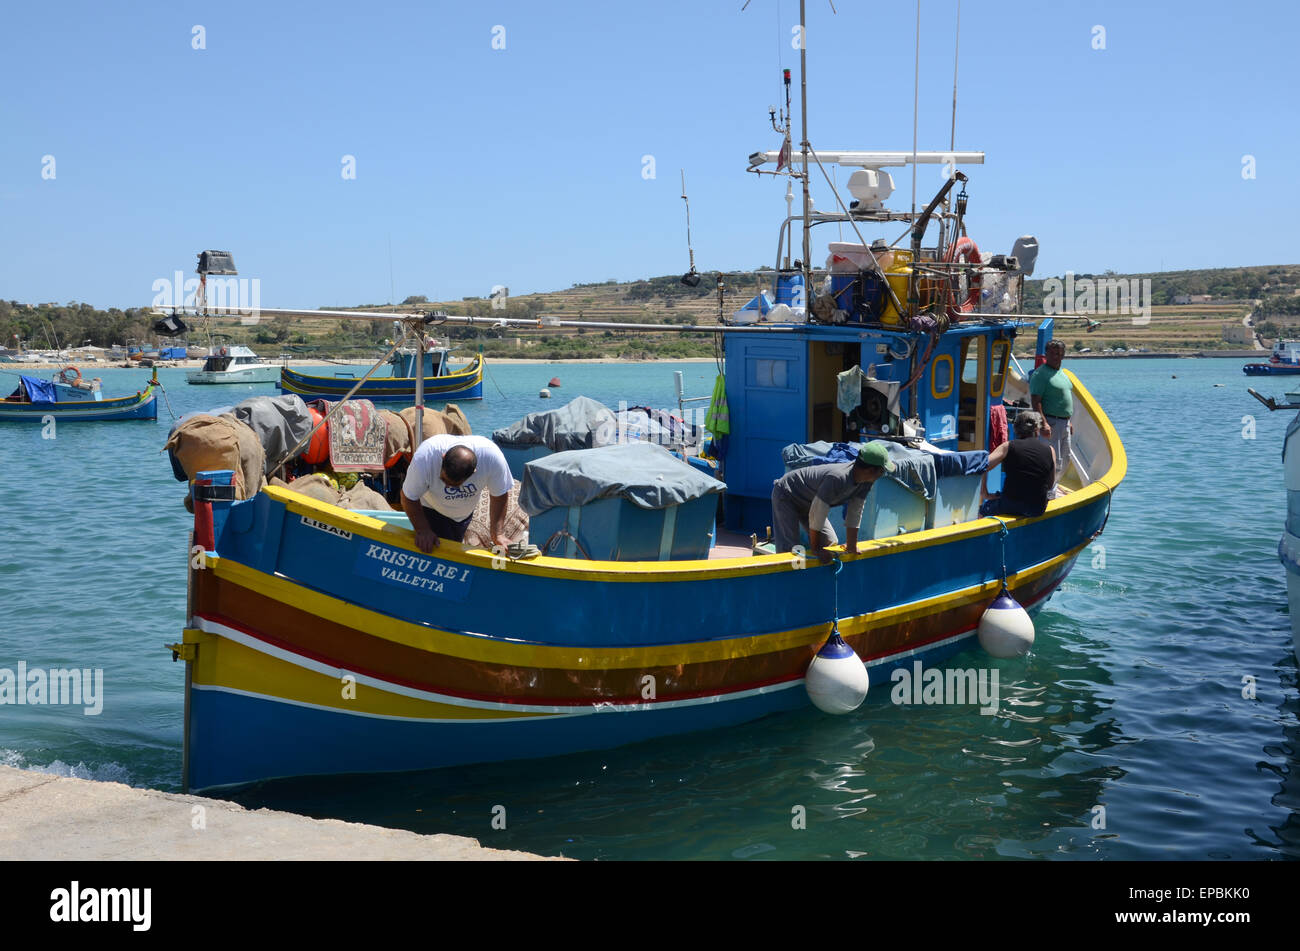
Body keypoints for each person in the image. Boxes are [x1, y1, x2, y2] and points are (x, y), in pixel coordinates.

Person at [770, 442, 895, 562]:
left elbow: (855, 512)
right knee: (790, 549)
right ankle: (789, 579)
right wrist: (816, 549)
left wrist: (851, 545)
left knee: (830, 542)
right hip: (787, 494)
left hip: (809, 501)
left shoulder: (866, 482)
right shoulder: (838, 478)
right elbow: (817, 513)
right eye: (882, 471)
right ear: (870, 470)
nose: (882, 475)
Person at [400, 434, 513, 553]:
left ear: (474, 472)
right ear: (443, 458)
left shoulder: (492, 458)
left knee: (454, 548)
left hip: (463, 516)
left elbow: (499, 494)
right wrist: (422, 530)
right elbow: (408, 497)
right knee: (438, 551)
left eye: (455, 485)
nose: (447, 486)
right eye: (443, 480)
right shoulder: (426, 457)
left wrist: (498, 534)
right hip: (432, 508)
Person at [979, 411, 1056, 518]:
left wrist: (985, 493)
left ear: (1016, 429)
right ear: (1037, 430)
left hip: (1011, 505)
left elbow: (983, 465)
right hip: (1037, 508)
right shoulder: (1050, 450)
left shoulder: (1008, 446)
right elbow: (1050, 484)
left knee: (982, 510)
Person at [1029, 339, 1073, 485]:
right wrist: (1043, 424)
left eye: (1060, 353)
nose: (1056, 356)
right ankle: (1047, 493)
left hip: (1064, 423)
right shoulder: (1041, 374)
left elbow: (1062, 398)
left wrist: (1068, 421)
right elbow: (1036, 401)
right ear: (1046, 354)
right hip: (1051, 423)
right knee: (1053, 461)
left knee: (1065, 459)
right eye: (1053, 353)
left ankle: (1052, 487)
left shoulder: (1061, 373)